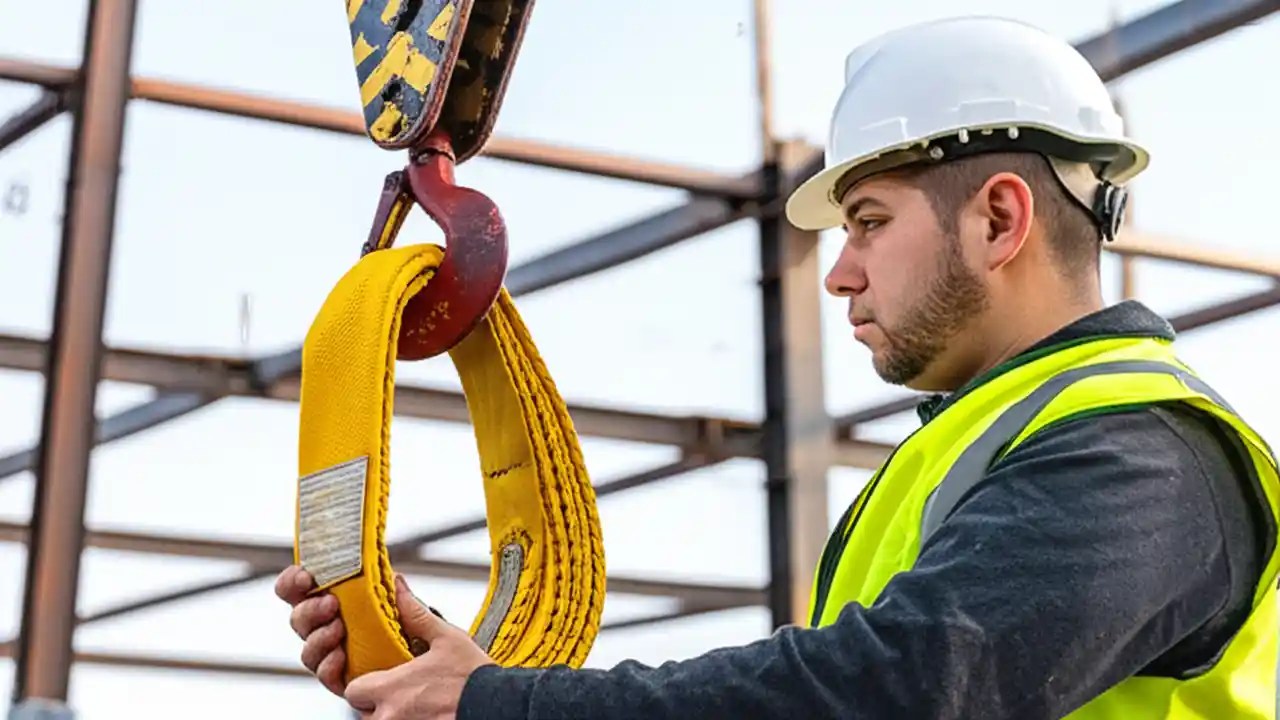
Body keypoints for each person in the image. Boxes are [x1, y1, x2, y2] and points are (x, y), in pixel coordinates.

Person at [275, 15, 1280, 719]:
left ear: (999, 218)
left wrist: (507, 705)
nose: (837, 273)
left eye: (869, 224)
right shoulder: (992, 446)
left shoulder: (1144, 456)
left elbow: (896, 690)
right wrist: (470, 676)